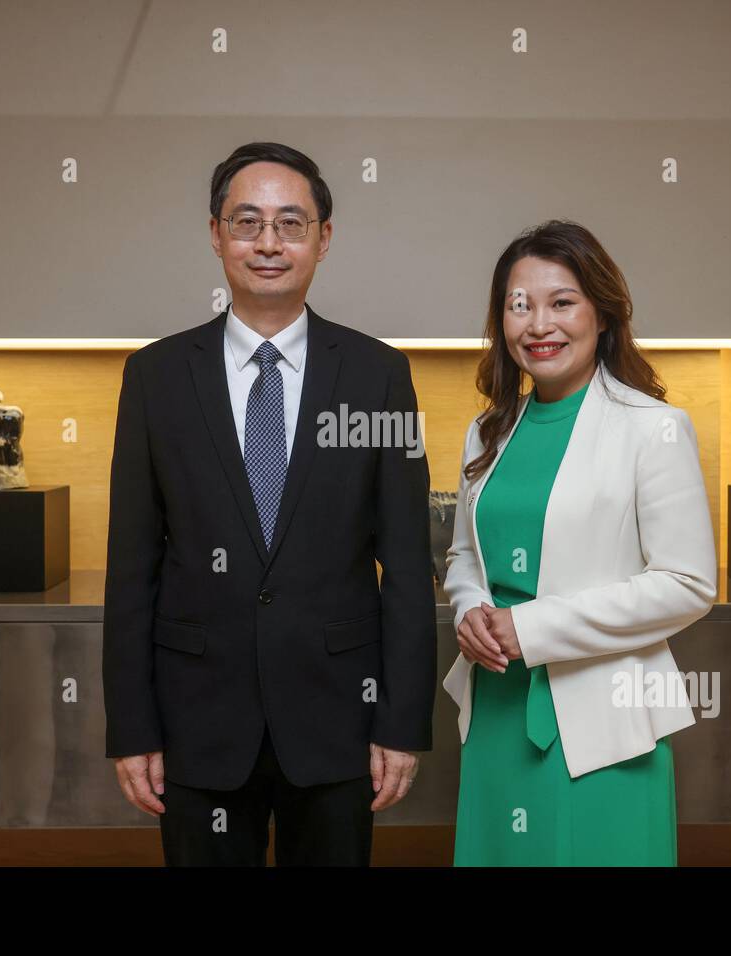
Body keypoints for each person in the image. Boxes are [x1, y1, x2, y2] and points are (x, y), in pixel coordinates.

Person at [102, 142, 436, 866]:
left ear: (324, 238)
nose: (268, 243)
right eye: (247, 221)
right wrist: (132, 727)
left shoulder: (379, 376)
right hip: (196, 722)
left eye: (291, 222)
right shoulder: (155, 377)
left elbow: (407, 564)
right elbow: (131, 567)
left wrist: (402, 721)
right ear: (216, 233)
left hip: (340, 719)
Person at [442, 220, 717, 866]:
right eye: (519, 306)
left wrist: (530, 628)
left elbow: (688, 583)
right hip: (496, 715)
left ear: (603, 313)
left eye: (561, 303)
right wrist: (468, 610)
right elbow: (462, 556)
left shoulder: (655, 430)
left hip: (603, 729)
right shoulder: (486, 435)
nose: (538, 324)